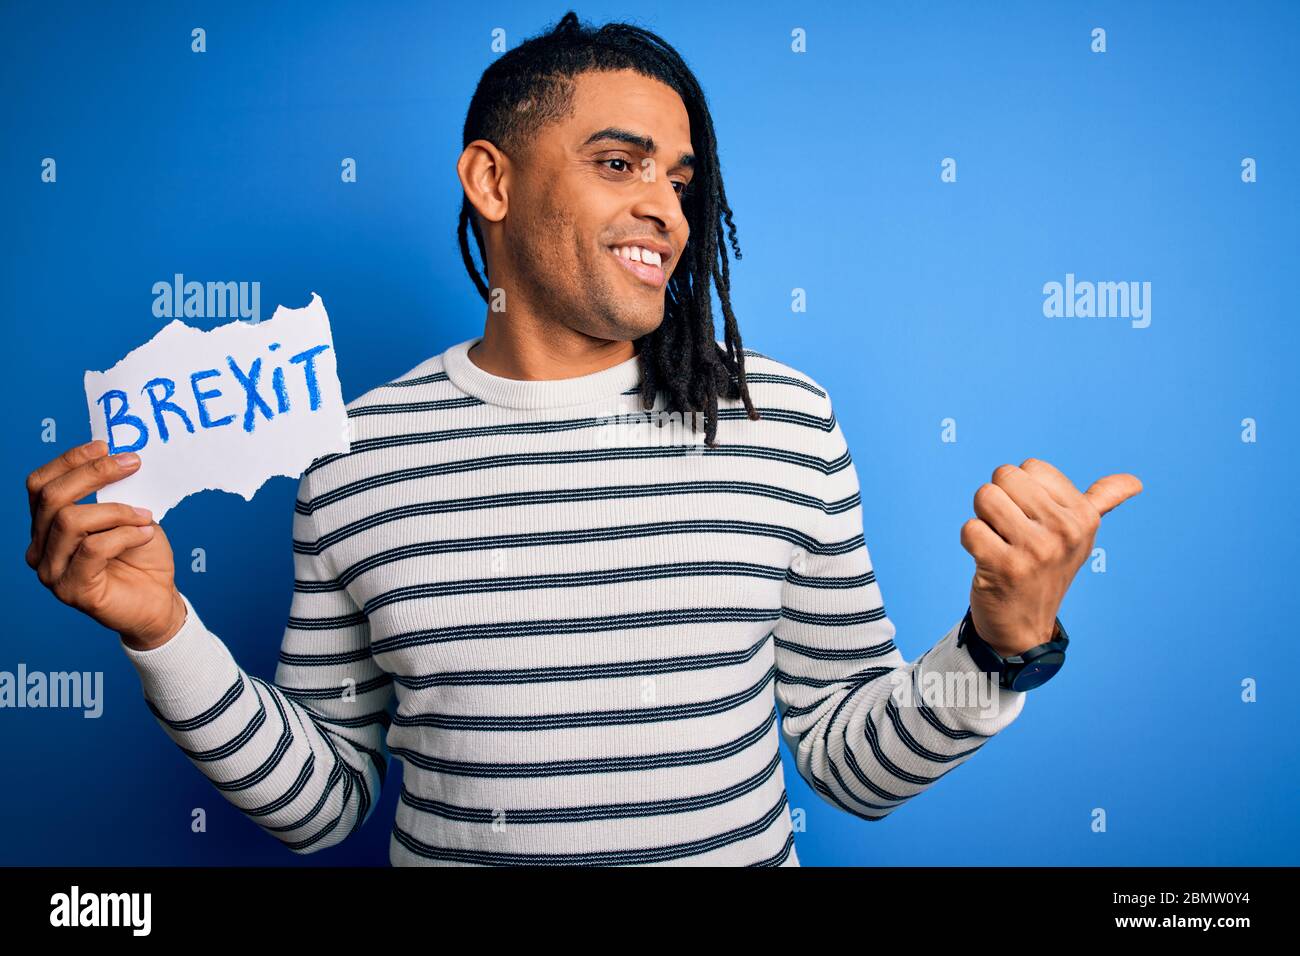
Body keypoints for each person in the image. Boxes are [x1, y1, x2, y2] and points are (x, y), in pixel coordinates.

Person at [23, 11, 1141, 866]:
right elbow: (322, 801)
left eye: (680, 176)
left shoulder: (779, 422)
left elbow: (849, 761)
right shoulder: (353, 454)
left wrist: (1001, 645)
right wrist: (164, 630)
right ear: (491, 179)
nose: (666, 205)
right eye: (619, 162)